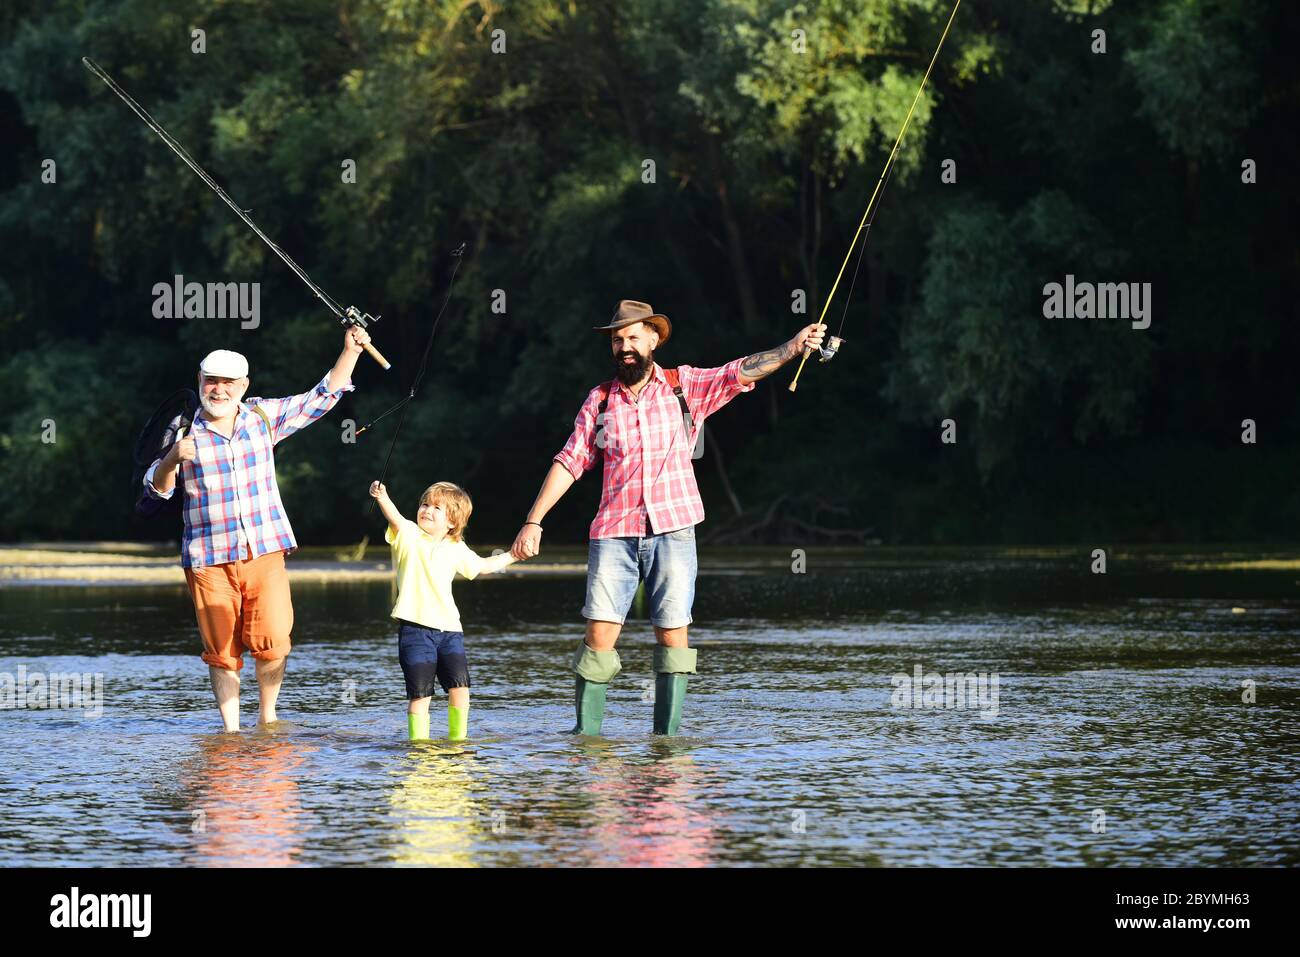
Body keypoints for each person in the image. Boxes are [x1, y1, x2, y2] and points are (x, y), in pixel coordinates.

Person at [510, 299, 825, 735]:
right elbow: (570, 461)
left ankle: (666, 742)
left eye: (633, 337)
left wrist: (791, 348)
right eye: (618, 340)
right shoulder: (600, 401)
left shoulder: (685, 387)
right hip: (614, 533)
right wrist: (534, 520)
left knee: (673, 635)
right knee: (599, 637)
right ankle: (586, 741)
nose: (625, 347)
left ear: (654, 339)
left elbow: (741, 371)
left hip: (673, 531)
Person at [144, 327, 371, 731]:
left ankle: (268, 718)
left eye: (228, 382)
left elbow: (323, 395)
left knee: (273, 640)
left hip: (265, 550)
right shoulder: (181, 432)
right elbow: (156, 492)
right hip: (208, 559)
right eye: (211, 381)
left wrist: (350, 350)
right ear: (199, 382)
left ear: (243, 386)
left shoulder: (263, 417)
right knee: (221, 651)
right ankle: (231, 730)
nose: (218, 390)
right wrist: (171, 460)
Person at [369, 479, 518, 740]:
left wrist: (516, 555)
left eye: (436, 507)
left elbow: (483, 566)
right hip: (415, 631)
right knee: (420, 693)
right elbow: (395, 518)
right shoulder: (409, 535)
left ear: (452, 521)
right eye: (424, 504)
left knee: (460, 688)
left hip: (450, 632)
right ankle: (419, 745)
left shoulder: (456, 548)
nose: (427, 510)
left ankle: (458, 741)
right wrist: (382, 497)